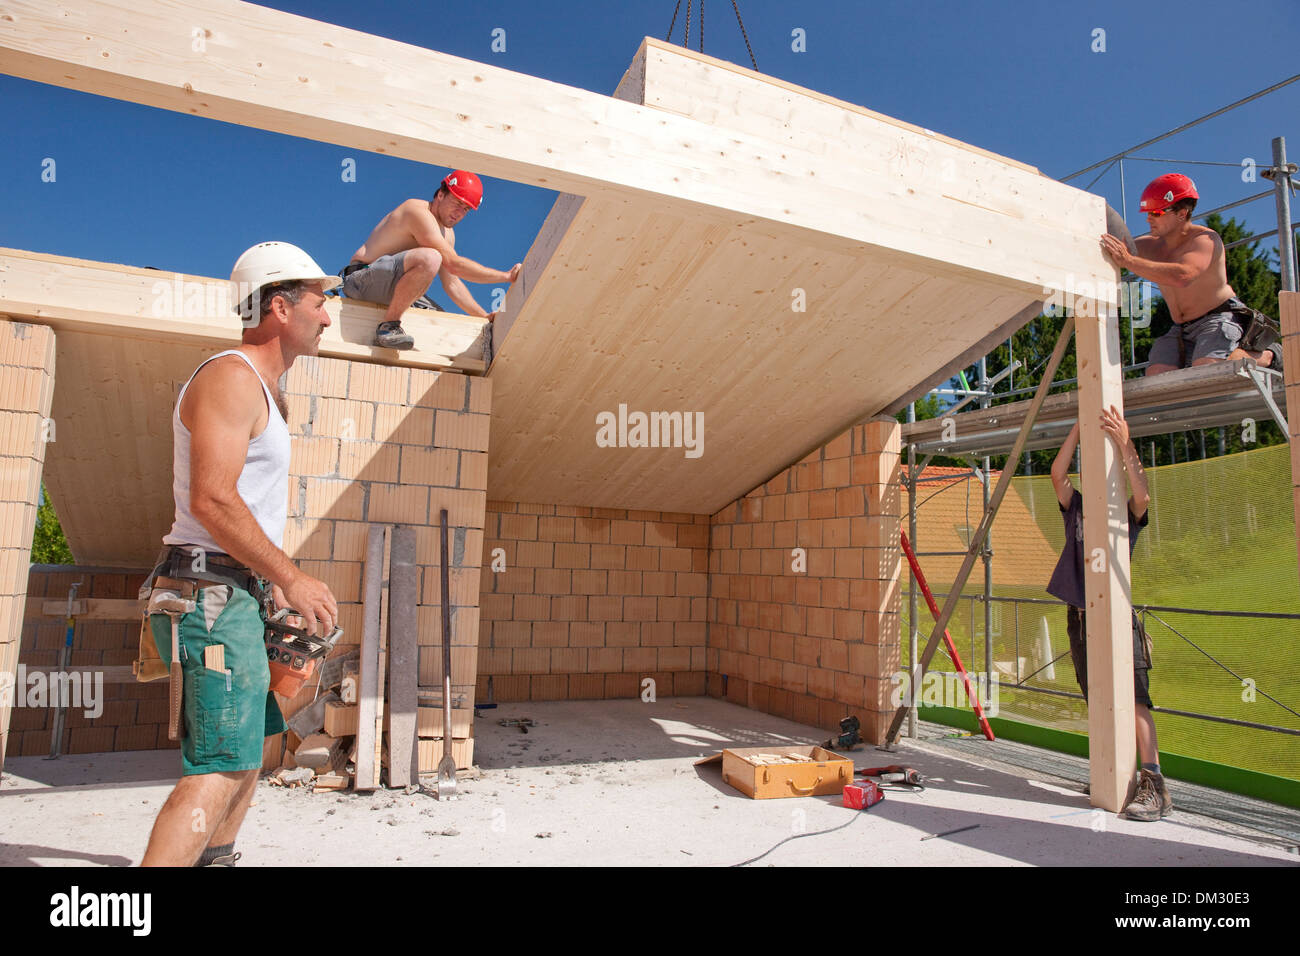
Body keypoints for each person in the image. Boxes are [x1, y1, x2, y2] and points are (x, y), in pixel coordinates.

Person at [139, 241, 340, 866]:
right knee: (219, 763)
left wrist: (270, 585)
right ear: (279, 306)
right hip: (209, 596)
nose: (327, 315)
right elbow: (212, 498)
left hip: (235, 594)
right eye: (318, 302)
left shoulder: (266, 392)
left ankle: (217, 860)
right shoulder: (230, 376)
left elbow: (240, 505)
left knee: (248, 749)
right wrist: (289, 575)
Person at [1047, 407, 1171, 822]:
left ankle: (1154, 784)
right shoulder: (1078, 508)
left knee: (1135, 699)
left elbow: (1143, 494)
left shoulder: (1125, 516)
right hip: (1081, 618)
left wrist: (1124, 442)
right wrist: (1078, 426)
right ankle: (1113, 772)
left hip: (1117, 616)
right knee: (1098, 698)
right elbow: (1057, 474)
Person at [1099, 173, 1279, 374]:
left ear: (1182, 214)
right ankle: (1211, 355)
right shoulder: (1150, 246)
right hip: (1181, 328)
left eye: (1156, 212)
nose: (1149, 219)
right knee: (1157, 374)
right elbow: (1119, 245)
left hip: (1218, 317)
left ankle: (1268, 356)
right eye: (1147, 213)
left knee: (1206, 369)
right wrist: (1100, 209)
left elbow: (1183, 276)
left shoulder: (1205, 240)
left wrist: (1129, 261)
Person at [340, 170, 522, 350]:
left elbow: (452, 284)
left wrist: (484, 317)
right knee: (431, 257)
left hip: (392, 290)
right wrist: (506, 277)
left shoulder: (448, 235)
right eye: (457, 203)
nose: (459, 213)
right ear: (441, 194)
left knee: (442, 326)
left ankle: (392, 327)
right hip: (361, 280)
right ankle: (389, 327)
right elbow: (454, 264)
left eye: (466, 209)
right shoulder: (416, 211)